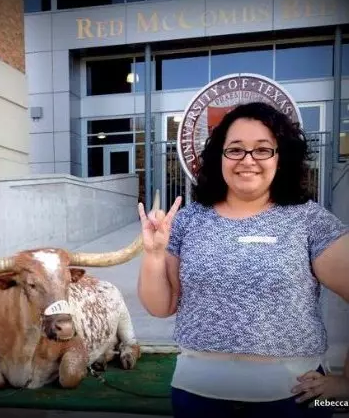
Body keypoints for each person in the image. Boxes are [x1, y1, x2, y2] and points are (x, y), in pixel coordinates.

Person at [137, 102, 349, 417]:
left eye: (263, 150)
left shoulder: (309, 221)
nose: (247, 160)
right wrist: (154, 255)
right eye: (235, 149)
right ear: (219, 157)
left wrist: (346, 384)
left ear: (281, 157)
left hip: (294, 400)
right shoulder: (189, 220)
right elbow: (160, 306)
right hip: (196, 397)